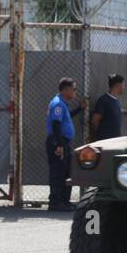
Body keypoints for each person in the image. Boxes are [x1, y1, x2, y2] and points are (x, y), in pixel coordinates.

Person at [45, 77, 82, 211]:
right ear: (66, 90)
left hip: (62, 142)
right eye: (74, 89)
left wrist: (79, 109)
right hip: (57, 142)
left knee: (67, 171)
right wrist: (59, 145)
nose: (75, 92)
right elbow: (55, 124)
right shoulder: (58, 104)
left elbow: (65, 119)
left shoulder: (62, 104)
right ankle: (55, 202)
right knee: (58, 172)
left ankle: (64, 201)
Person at [91, 74, 126, 142]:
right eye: (123, 85)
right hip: (105, 141)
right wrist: (100, 137)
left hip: (115, 140)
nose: (124, 87)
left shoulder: (116, 101)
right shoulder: (103, 100)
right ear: (118, 85)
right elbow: (95, 121)